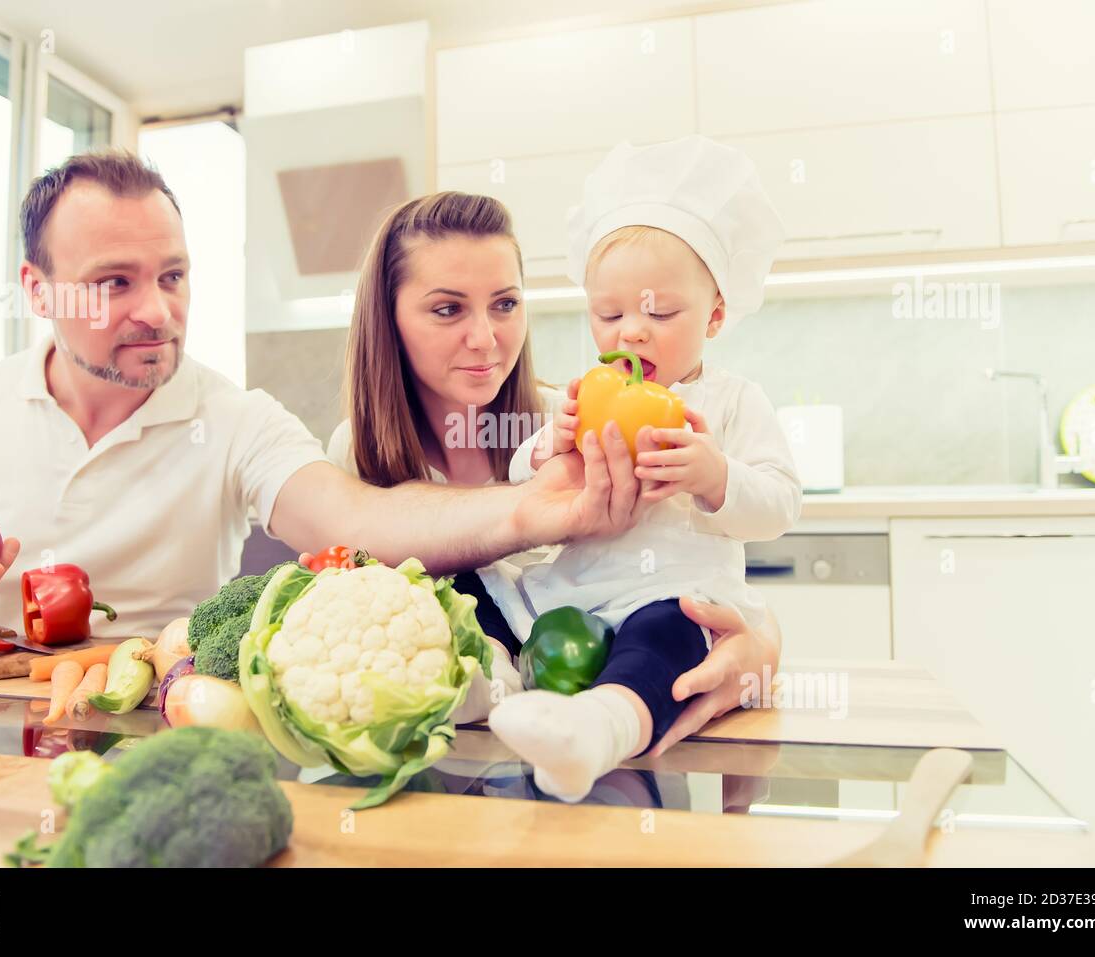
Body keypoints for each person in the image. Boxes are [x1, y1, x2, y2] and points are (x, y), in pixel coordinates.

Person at [0, 151, 644, 640]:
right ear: (39, 290)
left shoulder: (234, 421)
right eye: (113, 283)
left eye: (172, 275)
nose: (157, 311)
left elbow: (360, 522)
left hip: (161, 726)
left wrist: (527, 510)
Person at [326, 186, 785, 753]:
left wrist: (760, 649)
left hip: (600, 744)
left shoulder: (573, 415)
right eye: (447, 309)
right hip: (441, 753)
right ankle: (473, 687)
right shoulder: (358, 455)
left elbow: (697, 572)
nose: (485, 338)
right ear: (388, 317)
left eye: (505, 304)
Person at [486, 136, 802, 800]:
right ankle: (491, 699)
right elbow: (521, 486)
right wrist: (551, 445)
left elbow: (779, 503)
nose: (631, 331)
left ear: (715, 314)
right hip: (573, 593)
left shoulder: (733, 401)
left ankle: (598, 731)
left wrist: (716, 478)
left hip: (671, 598)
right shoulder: (586, 394)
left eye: (660, 312)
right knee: (482, 583)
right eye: (610, 313)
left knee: (667, 638)